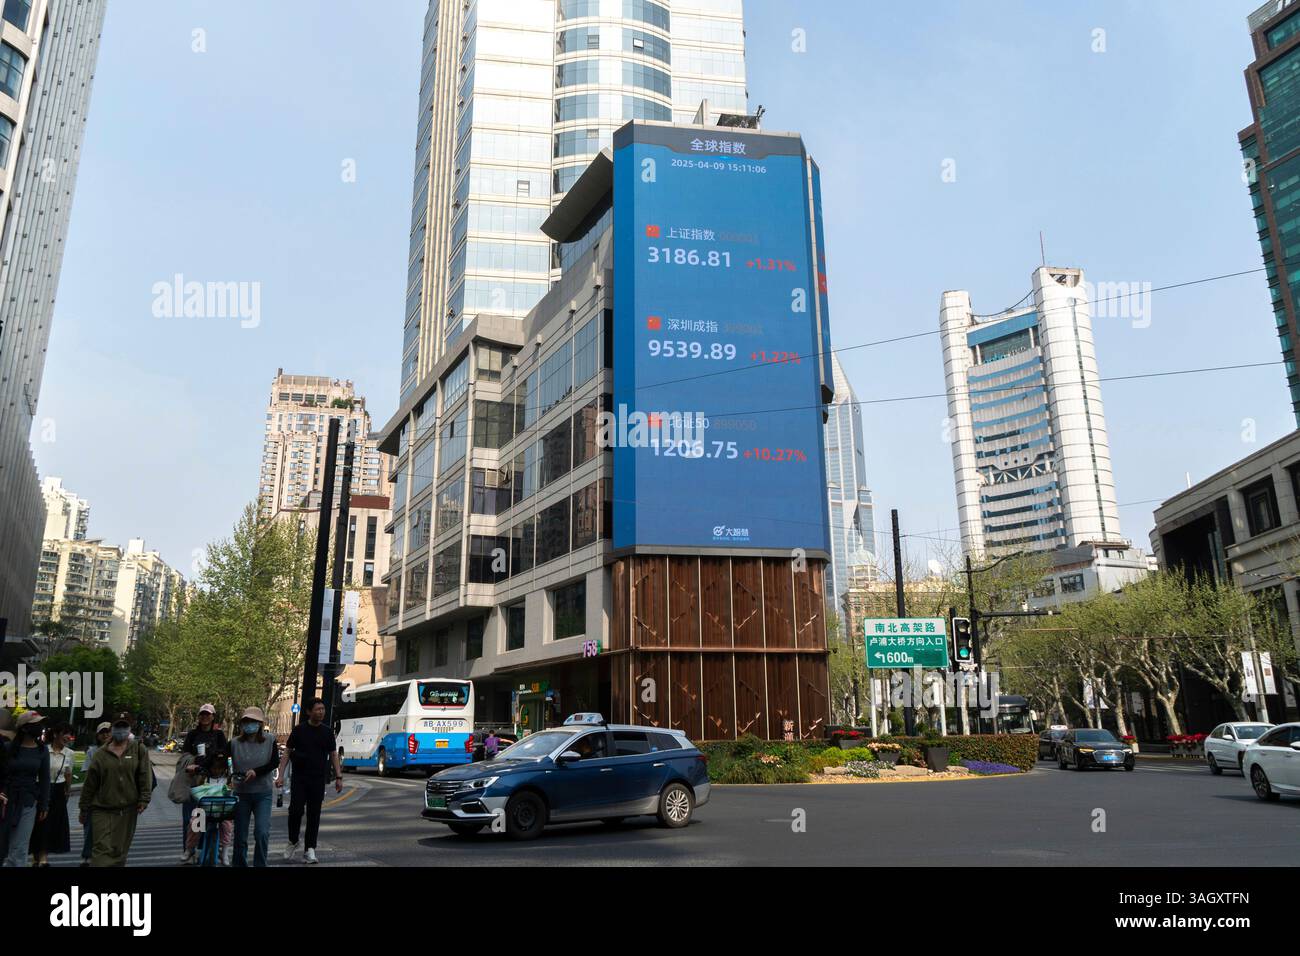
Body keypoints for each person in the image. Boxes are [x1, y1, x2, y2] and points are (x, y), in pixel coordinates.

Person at [78, 713, 151, 867]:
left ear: (130, 728)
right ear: (113, 728)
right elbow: (90, 783)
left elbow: (145, 775)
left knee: (119, 852)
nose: (121, 730)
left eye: (124, 726)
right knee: (101, 851)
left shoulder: (139, 749)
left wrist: (144, 799)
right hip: (101, 809)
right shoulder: (100, 754)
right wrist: (83, 808)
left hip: (127, 810)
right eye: (118, 726)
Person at [276, 698, 342, 864]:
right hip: (299, 778)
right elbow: (287, 752)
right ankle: (293, 840)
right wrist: (280, 775)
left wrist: (339, 777)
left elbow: (333, 754)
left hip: (317, 779)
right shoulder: (299, 730)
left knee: (314, 814)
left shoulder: (327, 732)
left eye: (323, 709)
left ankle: (310, 849)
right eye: (317, 709)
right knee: (295, 811)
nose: (321, 712)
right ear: (308, 712)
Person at [229, 706, 278, 867]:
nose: (249, 724)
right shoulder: (235, 743)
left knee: (262, 832)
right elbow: (220, 757)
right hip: (241, 793)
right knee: (240, 836)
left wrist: (256, 772)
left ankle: (260, 864)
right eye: (246, 721)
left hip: (263, 793)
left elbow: (274, 762)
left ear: (260, 723)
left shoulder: (270, 740)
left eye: (253, 721)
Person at [0, 711, 50, 867]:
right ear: (24, 728)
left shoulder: (42, 751)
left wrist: (43, 804)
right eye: (36, 724)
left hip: (28, 801)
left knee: (20, 847)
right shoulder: (8, 748)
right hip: (5, 800)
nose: (40, 727)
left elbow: (45, 779)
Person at [179, 703, 227, 861]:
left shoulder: (219, 735)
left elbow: (224, 756)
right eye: (202, 714)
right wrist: (192, 765)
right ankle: (190, 848)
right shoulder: (192, 734)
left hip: (213, 781)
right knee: (192, 817)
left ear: (213, 717)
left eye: (208, 714)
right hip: (194, 780)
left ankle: (212, 849)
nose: (205, 717)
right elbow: (185, 755)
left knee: (215, 817)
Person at [29, 722, 73, 866]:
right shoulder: (43, 750)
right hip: (40, 789)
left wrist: (67, 791)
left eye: (70, 734)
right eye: (65, 733)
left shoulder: (69, 754)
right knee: (38, 824)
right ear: (55, 734)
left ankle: (43, 857)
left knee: (50, 825)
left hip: (58, 792)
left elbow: (68, 774)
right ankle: (37, 856)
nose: (67, 737)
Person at [183, 753, 234, 865]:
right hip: (204, 810)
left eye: (220, 768)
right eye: (214, 768)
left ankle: (224, 851)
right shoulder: (205, 777)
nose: (216, 771)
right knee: (194, 824)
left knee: (227, 827)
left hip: (223, 811)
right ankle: (190, 848)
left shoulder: (228, 778)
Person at [78, 722, 111, 867]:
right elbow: (87, 776)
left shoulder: (121, 751)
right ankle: (87, 856)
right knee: (90, 827)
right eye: (102, 732)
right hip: (94, 796)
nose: (106, 735)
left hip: (113, 797)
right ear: (97, 735)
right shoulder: (92, 752)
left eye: (108, 731)